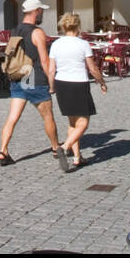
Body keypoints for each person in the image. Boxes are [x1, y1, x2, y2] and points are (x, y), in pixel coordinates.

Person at [0, 0, 62, 167]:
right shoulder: (37, 32)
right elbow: (45, 60)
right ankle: (55, 148)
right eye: (41, 11)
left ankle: (3, 151)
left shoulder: (15, 30)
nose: (42, 14)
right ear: (37, 11)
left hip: (19, 76)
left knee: (12, 118)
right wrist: (52, 83)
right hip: (35, 78)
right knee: (48, 116)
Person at [47, 13, 106, 171]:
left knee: (72, 122)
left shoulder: (56, 44)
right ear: (78, 26)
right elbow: (92, 68)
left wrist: (51, 86)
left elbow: (51, 70)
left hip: (61, 83)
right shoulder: (83, 44)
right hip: (78, 83)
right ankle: (64, 147)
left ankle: (77, 157)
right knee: (83, 122)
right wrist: (101, 82)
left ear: (63, 27)